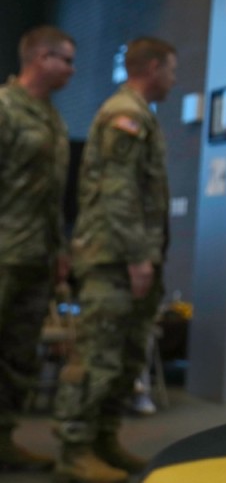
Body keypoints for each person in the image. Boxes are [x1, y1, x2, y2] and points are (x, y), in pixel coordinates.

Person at [54, 37, 176, 483]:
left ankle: (103, 439)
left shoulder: (140, 114)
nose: (174, 78)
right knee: (97, 357)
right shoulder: (123, 115)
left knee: (125, 357)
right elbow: (118, 191)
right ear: (152, 67)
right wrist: (137, 258)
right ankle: (74, 449)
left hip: (131, 257)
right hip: (113, 259)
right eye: (171, 69)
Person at [0, 27, 74, 473]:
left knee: (18, 355)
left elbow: (51, 196)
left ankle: (3, 438)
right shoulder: (5, 107)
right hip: (4, 252)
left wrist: (59, 250)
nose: (71, 69)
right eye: (66, 59)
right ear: (41, 58)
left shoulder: (52, 117)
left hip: (37, 255)